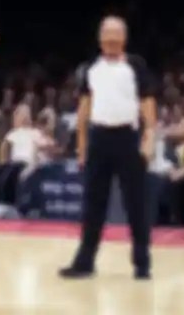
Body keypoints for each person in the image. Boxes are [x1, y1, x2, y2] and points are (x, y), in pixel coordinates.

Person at [59, 15, 156, 280]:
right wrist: (81, 147)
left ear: (124, 38)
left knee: (136, 204)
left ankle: (142, 263)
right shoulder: (91, 67)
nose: (112, 39)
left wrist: (149, 141)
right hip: (99, 139)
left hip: (128, 139)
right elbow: (83, 110)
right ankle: (85, 262)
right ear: (100, 38)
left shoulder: (136, 66)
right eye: (107, 34)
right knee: (93, 204)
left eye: (116, 34)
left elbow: (148, 107)